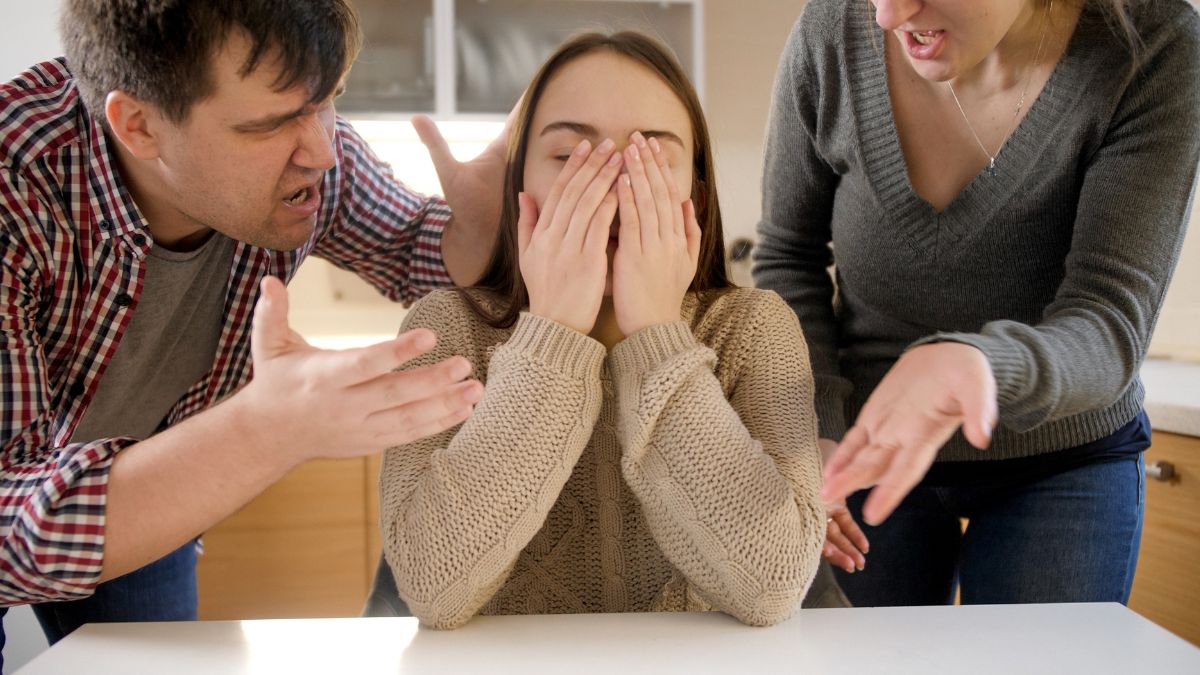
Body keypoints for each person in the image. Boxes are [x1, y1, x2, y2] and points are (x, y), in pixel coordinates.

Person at [0, 0, 503, 658]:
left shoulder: (315, 156)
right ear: (140, 126)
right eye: (271, 124)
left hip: (148, 465)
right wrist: (269, 427)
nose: (322, 150)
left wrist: (473, 237)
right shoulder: (18, 184)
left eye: (327, 100)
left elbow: (413, 243)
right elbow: (10, 526)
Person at [368, 31, 840, 629]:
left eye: (651, 158)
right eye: (570, 158)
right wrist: (553, 334)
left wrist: (657, 335)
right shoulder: (445, 332)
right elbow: (432, 588)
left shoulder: (755, 330)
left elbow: (771, 586)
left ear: (695, 192)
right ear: (520, 189)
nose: (613, 188)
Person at [755, 0, 1200, 606]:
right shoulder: (831, 34)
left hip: (1061, 458)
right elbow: (787, 258)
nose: (888, 16)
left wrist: (978, 365)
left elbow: (1110, 321)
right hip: (866, 451)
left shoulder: (1151, 49)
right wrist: (817, 425)